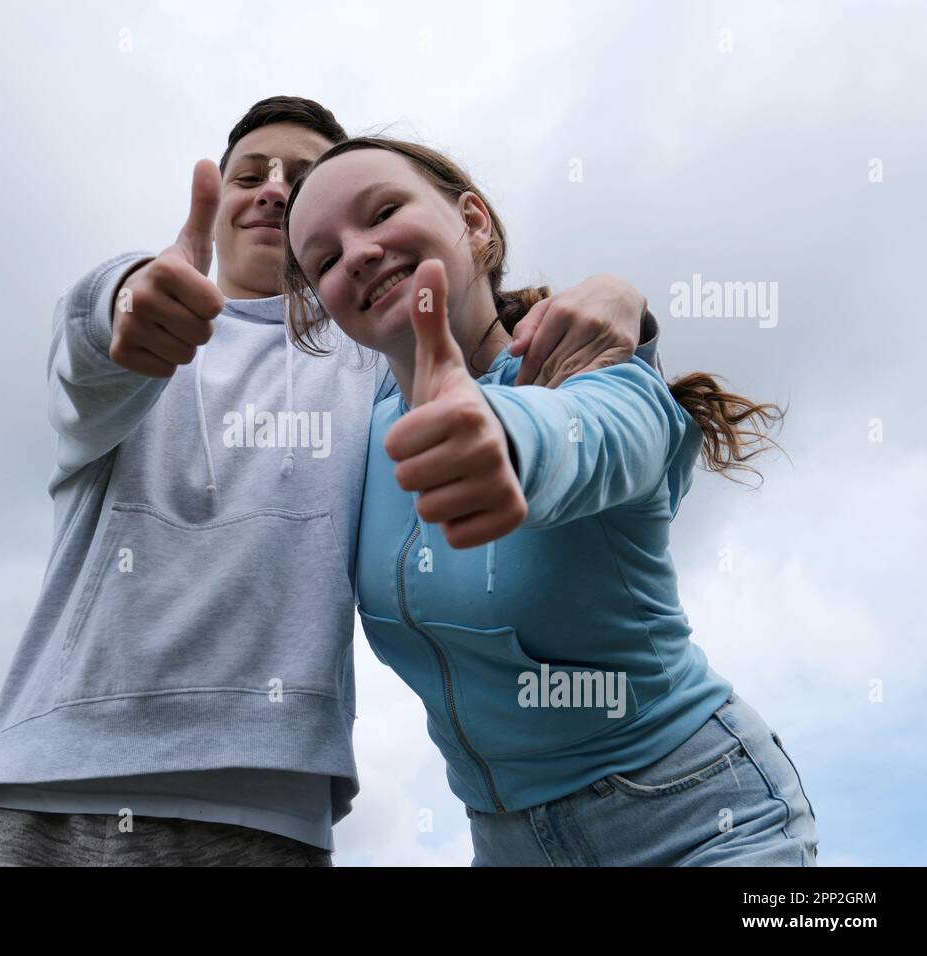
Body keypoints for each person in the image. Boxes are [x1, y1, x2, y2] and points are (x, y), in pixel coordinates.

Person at [0, 98, 662, 867]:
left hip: (267, 810)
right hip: (50, 786)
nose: (272, 188)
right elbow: (93, 344)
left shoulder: (375, 360)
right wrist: (122, 296)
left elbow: (502, 354)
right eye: (249, 175)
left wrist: (621, 298)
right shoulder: (146, 340)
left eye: (301, 178)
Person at [283, 136, 818, 866]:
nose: (358, 253)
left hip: (700, 819)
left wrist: (502, 434)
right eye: (324, 260)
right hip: (506, 845)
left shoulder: (592, 373)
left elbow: (596, 435)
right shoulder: (352, 438)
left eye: (381, 213)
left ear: (474, 222)